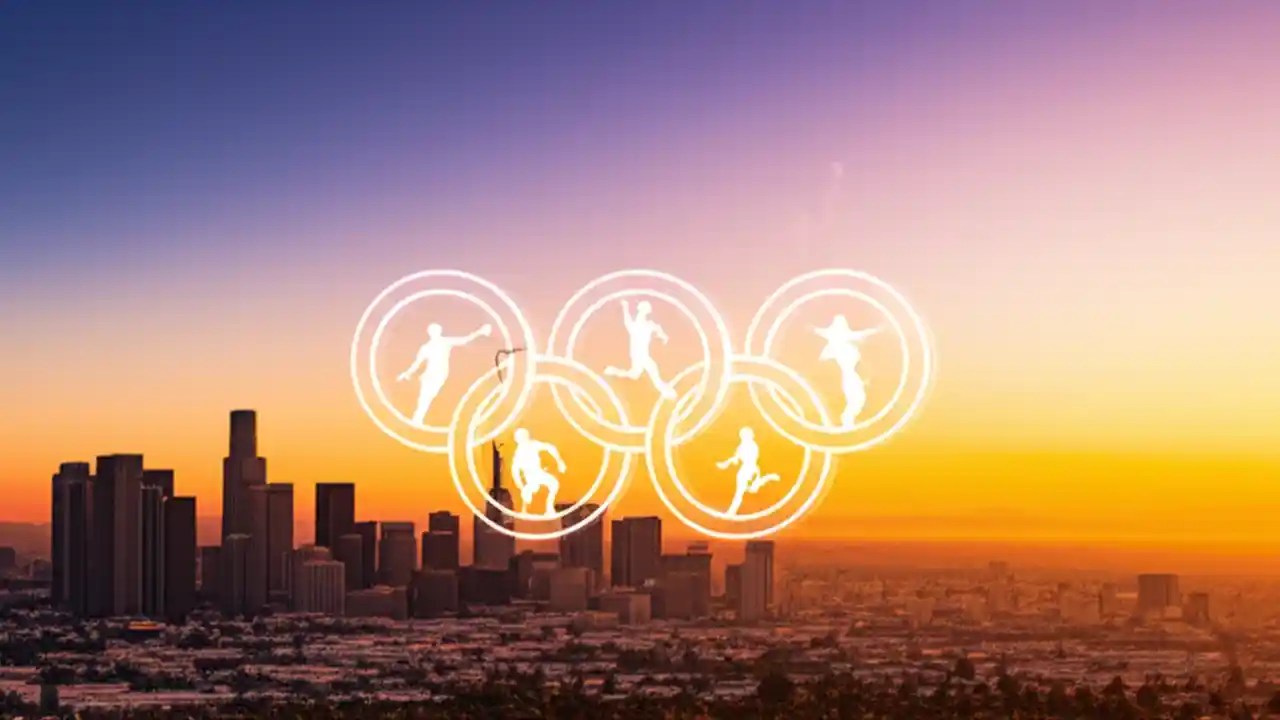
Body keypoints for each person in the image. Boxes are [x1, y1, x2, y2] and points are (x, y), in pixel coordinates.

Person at [398, 322, 491, 427]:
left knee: (428, 396)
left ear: (439, 331)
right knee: (425, 396)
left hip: (440, 374)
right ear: (429, 332)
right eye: (433, 331)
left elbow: (464, 340)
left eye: (436, 330)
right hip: (430, 374)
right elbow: (417, 363)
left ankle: (417, 418)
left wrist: (479, 332)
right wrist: (407, 373)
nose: (435, 332)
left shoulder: (445, 341)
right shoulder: (426, 347)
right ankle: (417, 419)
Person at [815, 314, 880, 427]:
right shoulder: (837, 347)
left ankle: (848, 420)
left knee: (858, 398)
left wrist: (876, 330)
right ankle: (847, 420)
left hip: (852, 375)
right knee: (857, 398)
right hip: (849, 376)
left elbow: (860, 335)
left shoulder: (842, 346)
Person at [604, 299, 675, 398]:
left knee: (635, 374)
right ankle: (666, 391)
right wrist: (625, 307)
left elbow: (657, 328)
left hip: (640, 354)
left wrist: (663, 336)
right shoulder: (635, 326)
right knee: (651, 369)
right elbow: (627, 320)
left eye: (645, 310)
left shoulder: (646, 325)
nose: (644, 312)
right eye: (644, 309)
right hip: (639, 355)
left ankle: (612, 370)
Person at [716, 427, 780, 517]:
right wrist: (728, 462)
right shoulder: (741, 447)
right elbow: (736, 459)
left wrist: (728, 462)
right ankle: (731, 512)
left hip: (752, 471)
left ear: (751, 436)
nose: (743, 437)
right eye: (742, 436)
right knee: (741, 491)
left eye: (746, 435)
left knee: (751, 489)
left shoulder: (752, 446)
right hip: (744, 471)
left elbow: (747, 458)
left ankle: (768, 477)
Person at [510, 427, 565, 516]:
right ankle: (525, 510)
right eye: (522, 437)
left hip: (539, 473)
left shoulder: (533, 445)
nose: (525, 438)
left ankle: (549, 507)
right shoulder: (519, 453)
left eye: (525, 436)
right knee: (529, 491)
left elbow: (550, 447)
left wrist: (559, 461)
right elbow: (515, 471)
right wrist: (521, 486)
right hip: (530, 477)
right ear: (517, 440)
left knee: (554, 483)